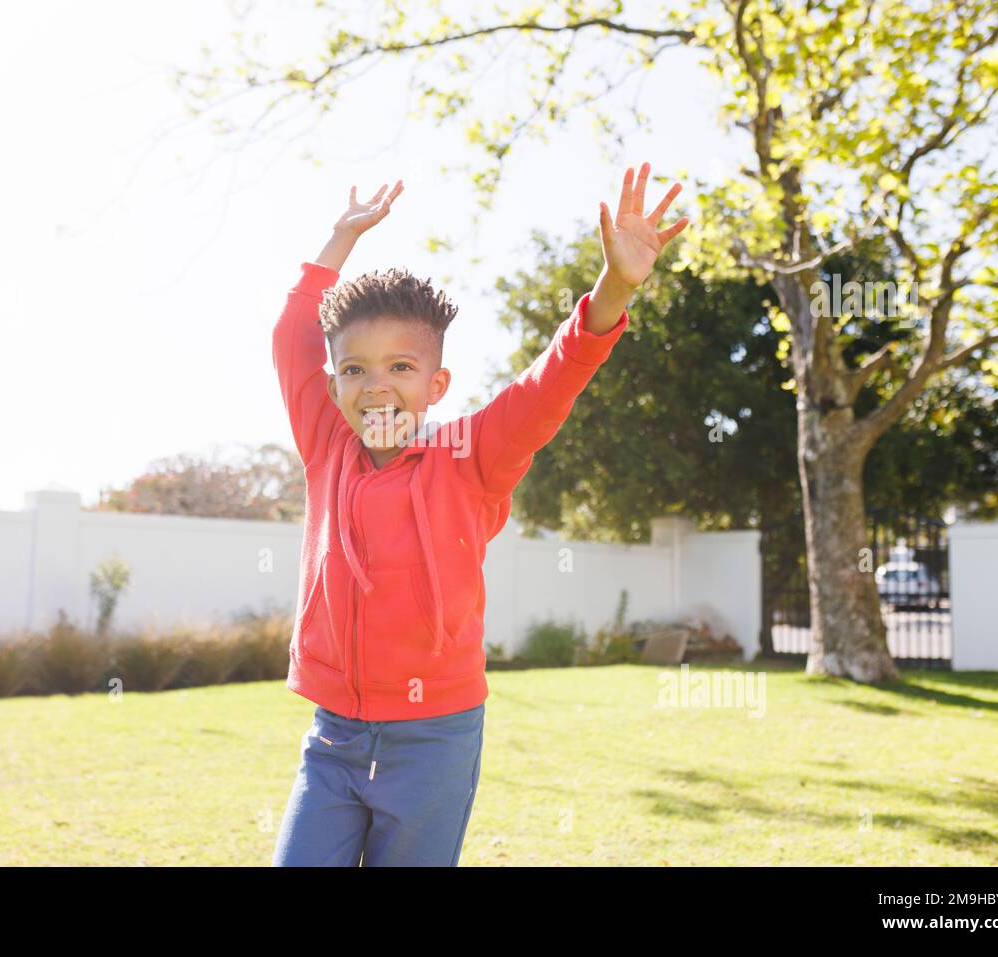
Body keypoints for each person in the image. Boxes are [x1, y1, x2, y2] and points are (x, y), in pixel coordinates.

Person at [269, 165, 689, 866]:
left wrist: (613, 289)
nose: (376, 385)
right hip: (334, 736)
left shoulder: (471, 455)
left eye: (401, 367)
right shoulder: (326, 444)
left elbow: (551, 381)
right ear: (334, 381)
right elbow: (292, 336)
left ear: (437, 384)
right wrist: (340, 239)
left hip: (435, 737)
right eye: (354, 370)